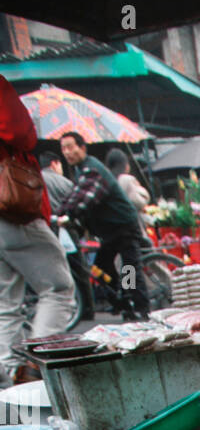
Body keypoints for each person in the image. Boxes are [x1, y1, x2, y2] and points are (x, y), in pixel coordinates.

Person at [0, 77, 76, 382]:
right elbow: (22, 134)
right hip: (10, 207)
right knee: (58, 288)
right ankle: (35, 366)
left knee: (5, 302)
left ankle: (8, 378)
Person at [57, 131, 150, 319]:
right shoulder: (81, 171)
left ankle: (138, 307)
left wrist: (67, 214)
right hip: (109, 232)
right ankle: (122, 299)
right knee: (99, 269)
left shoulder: (93, 169)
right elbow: (74, 194)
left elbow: (85, 199)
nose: (67, 152)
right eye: (63, 149)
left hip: (124, 226)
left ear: (82, 148)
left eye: (70, 147)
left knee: (129, 269)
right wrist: (59, 213)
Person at [40, 151, 95, 320]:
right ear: (55, 163)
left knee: (54, 271)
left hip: (45, 229)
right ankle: (134, 304)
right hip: (66, 229)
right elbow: (79, 205)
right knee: (81, 269)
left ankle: (65, 308)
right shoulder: (64, 182)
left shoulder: (35, 179)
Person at [105, 148, 150, 240]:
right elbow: (140, 202)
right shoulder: (126, 179)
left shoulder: (106, 180)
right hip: (130, 227)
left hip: (112, 228)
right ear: (124, 164)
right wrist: (139, 187)